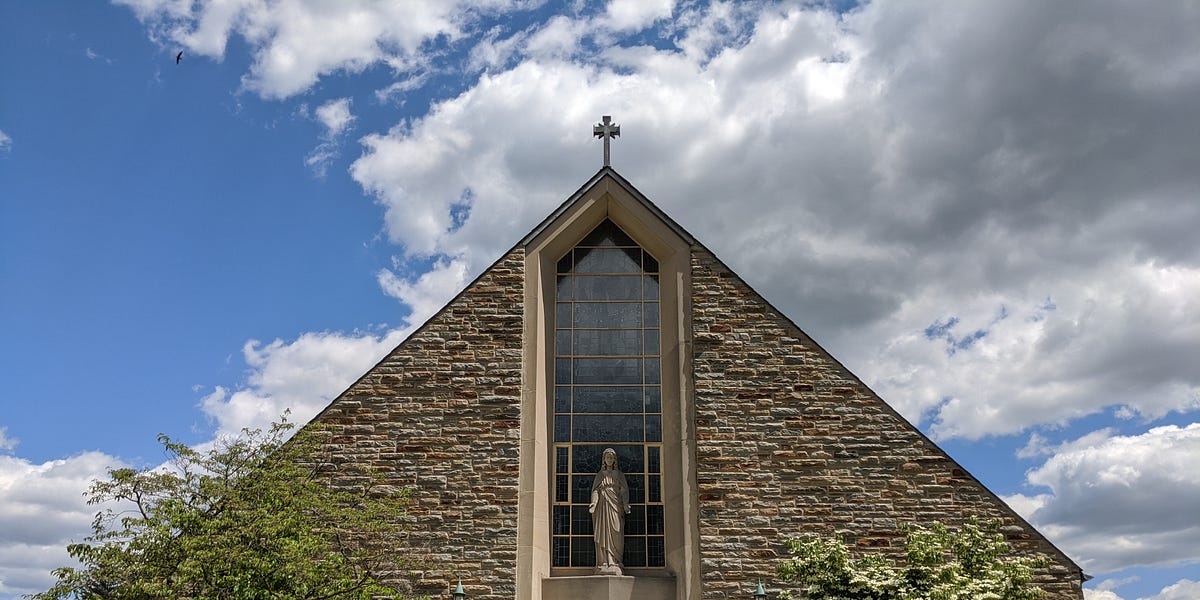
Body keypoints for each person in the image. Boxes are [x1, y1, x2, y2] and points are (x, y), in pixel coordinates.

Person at [589, 447, 630, 575]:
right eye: (607, 457)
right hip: (602, 507)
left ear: (614, 460)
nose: (610, 460)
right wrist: (594, 503)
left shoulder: (619, 475)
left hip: (615, 506)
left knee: (616, 530)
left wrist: (625, 503)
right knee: (603, 532)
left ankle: (616, 562)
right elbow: (595, 490)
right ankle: (604, 562)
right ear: (604, 460)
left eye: (611, 458)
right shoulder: (600, 475)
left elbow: (624, 490)